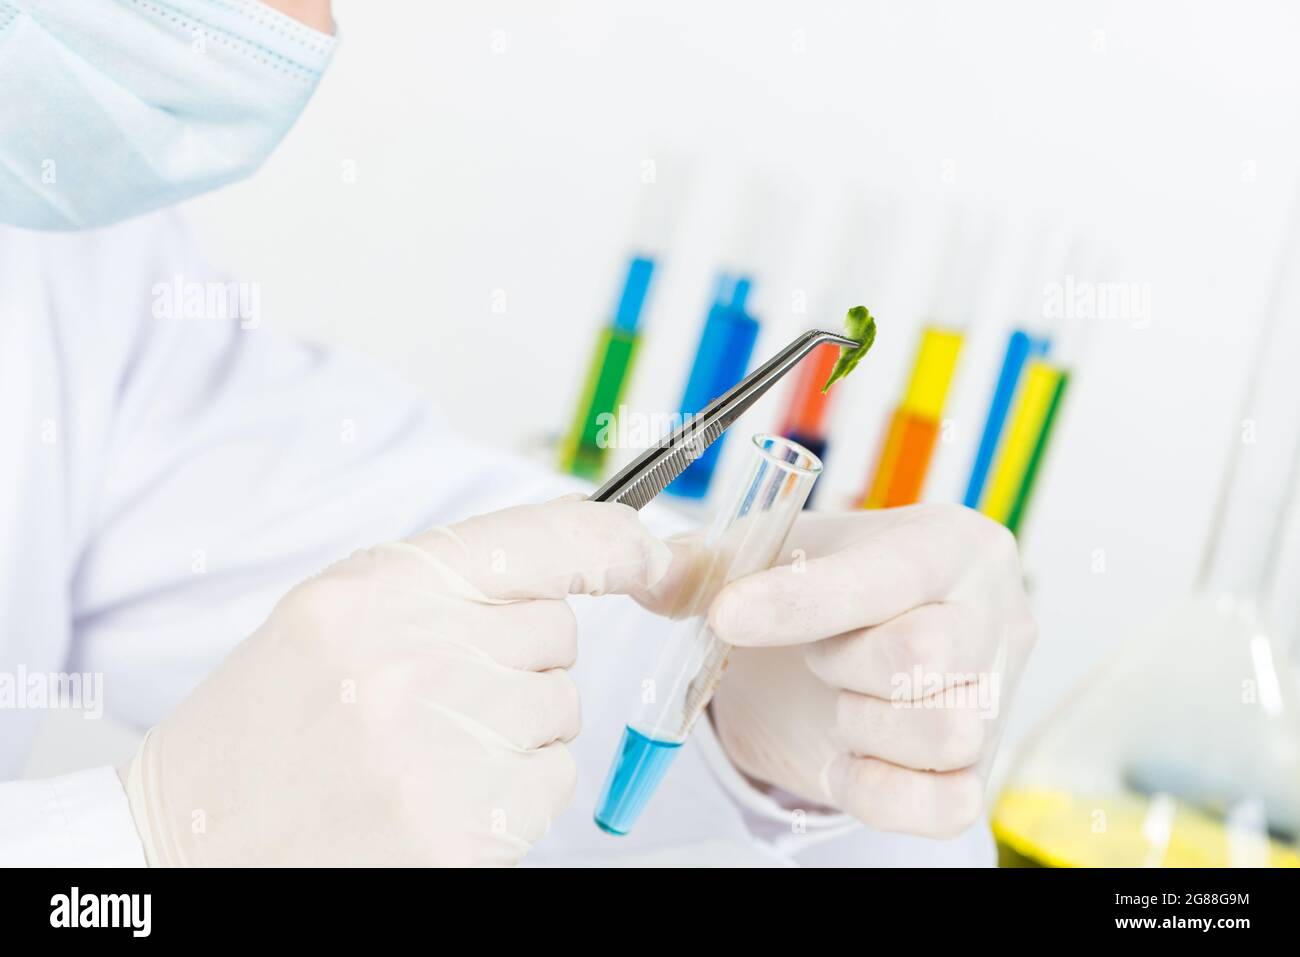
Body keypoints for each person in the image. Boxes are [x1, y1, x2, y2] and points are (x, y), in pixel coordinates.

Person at [0, 0, 1036, 866]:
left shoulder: (67, 267)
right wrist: (135, 844)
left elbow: (418, 592)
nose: (304, 26)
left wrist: (736, 709)